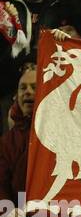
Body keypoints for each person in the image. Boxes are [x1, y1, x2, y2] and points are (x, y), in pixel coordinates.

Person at [0, 64, 35, 206]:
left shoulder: (63, 132)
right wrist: (5, 209)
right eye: (23, 87)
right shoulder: (7, 142)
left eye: (34, 87)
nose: (27, 92)